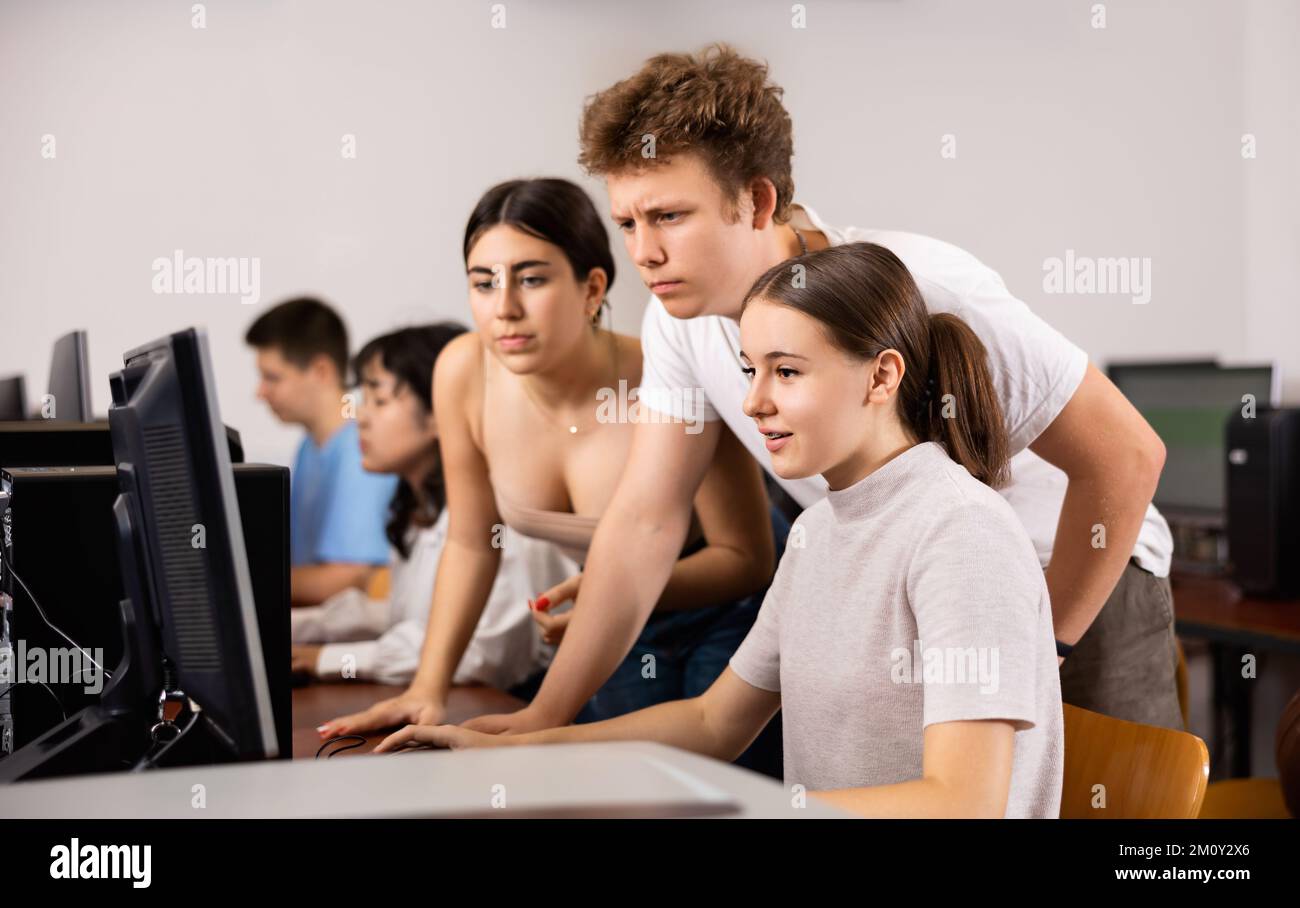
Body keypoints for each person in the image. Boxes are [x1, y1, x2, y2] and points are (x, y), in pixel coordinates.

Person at [458, 44, 1178, 735]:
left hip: (1076, 574)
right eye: (627, 223)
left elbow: (1126, 456)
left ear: (758, 199)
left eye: (669, 216)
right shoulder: (678, 324)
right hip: (916, 592)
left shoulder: (924, 287)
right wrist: (536, 721)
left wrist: (1040, 647)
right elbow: (645, 522)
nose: (643, 252)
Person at [377, 243, 1064, 820]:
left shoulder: (961, 532)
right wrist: (526, 746)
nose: (753, 402)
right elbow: (715, 721)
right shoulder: (820, 529)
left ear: (882, 376)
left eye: (786, 372)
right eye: (749, 370)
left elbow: (964, 803)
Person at [319, 178, 786, 773]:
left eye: (532, 278)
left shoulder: (666, 372)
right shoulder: (463, 370)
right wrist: (426, 690)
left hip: (732, 611)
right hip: (610, 621)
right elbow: (471, 541)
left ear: (592, 287)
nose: (504, 307)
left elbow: (747, 558)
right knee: (624, 793)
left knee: (722, 790)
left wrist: (603, 590)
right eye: (483, 282)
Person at [289, 323, 574, 689]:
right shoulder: (419, 509)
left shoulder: (501, 514)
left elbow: (481, 654)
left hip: (515, 710)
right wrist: (302, 627)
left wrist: (328, 660)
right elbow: (410, 619)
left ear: (443, 412)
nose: (359, 416)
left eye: (379, 400)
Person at [245, 297, 397, 606]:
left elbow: (349, 577)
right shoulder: (310, 447)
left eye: (272, 377)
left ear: (321, 371)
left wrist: (242, 585)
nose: (260, 392)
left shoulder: (361, 449)